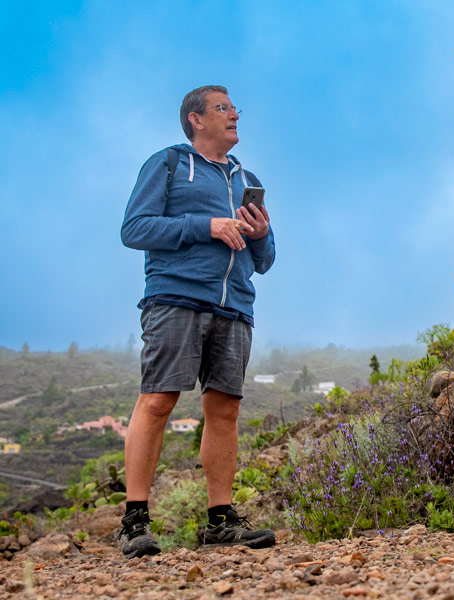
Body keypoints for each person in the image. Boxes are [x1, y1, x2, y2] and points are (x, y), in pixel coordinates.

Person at [119, 85, 276, 558]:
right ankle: (134, 521)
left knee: (225, 409)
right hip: (175, 298)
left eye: (235, 109)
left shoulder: (245, 176)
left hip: (234, 304)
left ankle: (221, 522)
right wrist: (206, 226)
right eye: (223, 109)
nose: (234, 116)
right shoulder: (167, 163)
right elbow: (135, 229)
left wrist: (262, 234)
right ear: (195, 119)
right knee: (159, 400)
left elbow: (265, 260)